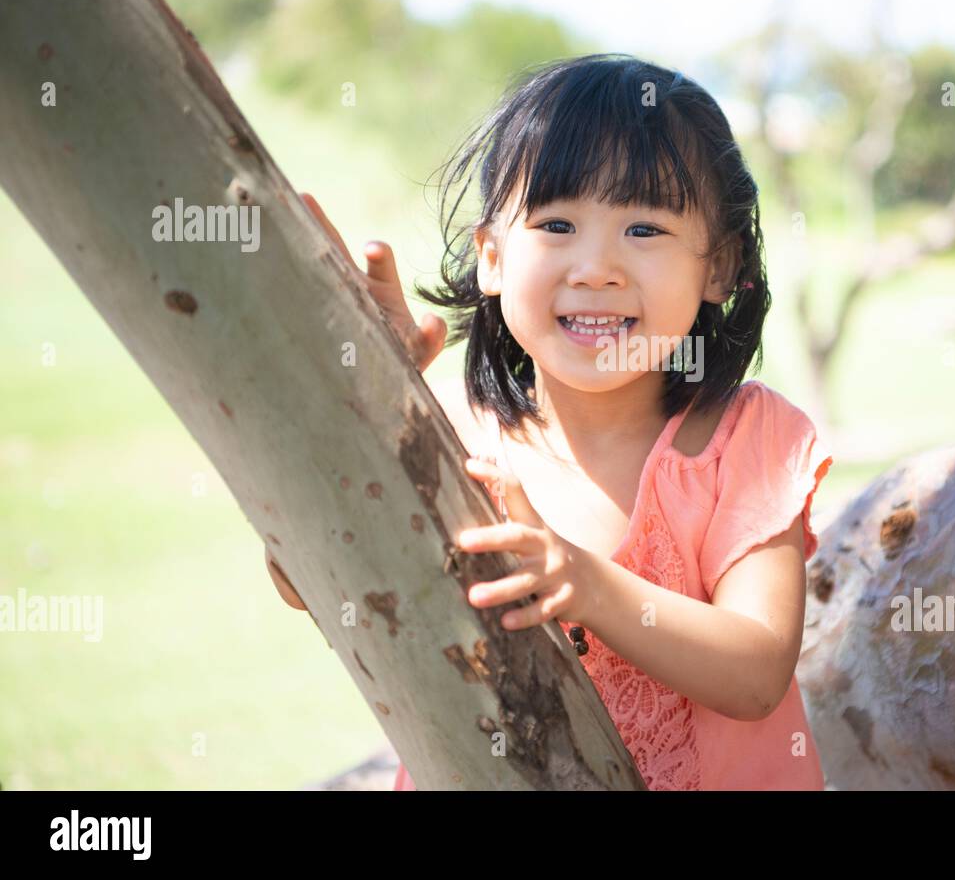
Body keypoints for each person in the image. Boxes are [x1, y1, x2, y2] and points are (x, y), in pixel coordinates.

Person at [268, 54, 832, 790]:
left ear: (718, 267)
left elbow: (756, 670)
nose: (595, 267)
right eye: (558, 222)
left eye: (645, 228)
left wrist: (582, 581)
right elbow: (302, 579)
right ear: (494, 257)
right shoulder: (452, 434)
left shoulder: (743, 443)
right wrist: (359, 411)